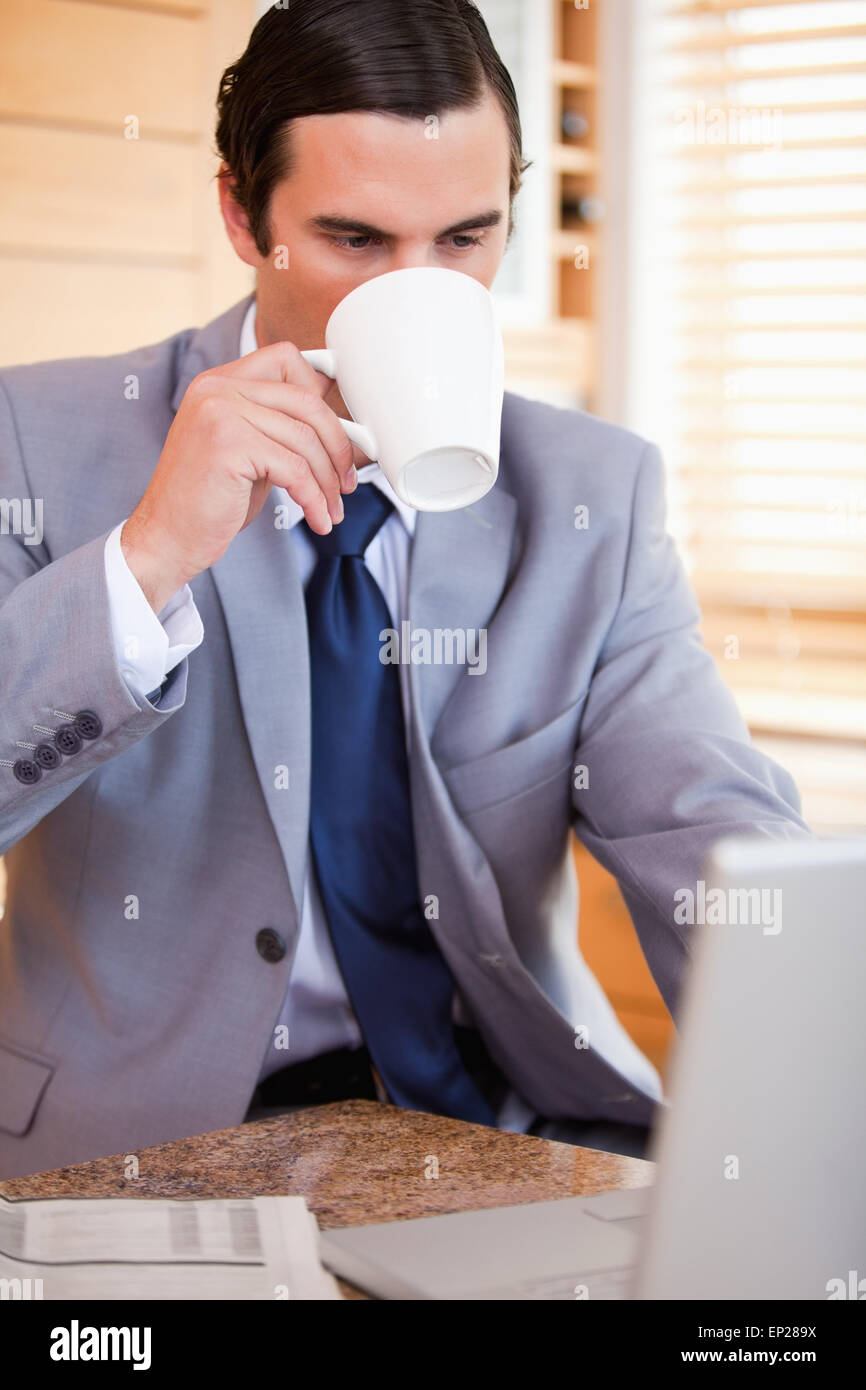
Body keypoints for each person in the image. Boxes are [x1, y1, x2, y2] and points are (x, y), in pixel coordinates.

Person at [0, 0, 809, 1181]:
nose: (419, 289)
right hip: (136, 1158)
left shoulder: (589, 496)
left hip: (497, 1138)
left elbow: (704, 832)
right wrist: (148, 558)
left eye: (465, 239)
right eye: (356, 240)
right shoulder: (42, 436)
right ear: (242, 213)